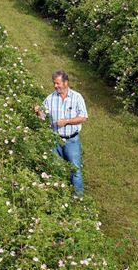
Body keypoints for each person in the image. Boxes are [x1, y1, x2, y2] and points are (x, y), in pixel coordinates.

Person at [34, 69, 88, 197]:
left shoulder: (76, 97)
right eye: (54, 83)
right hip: (55, 140)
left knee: (75, 170)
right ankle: (59, 195)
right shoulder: (50, 98)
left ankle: (78, 197)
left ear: (66, 83)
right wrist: (38, 112)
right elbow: (43, 117)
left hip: (71, 140)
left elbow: (84, 117)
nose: (55, 86)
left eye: (58, 83)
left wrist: (67, 121)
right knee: (55, 169)